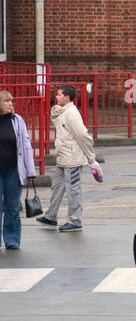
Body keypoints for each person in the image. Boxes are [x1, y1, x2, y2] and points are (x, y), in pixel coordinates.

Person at [37, 85, 99, 232]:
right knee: (57, 187)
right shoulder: (63, 111)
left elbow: (83, 136)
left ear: (67, 97)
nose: (56, 97)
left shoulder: (72, 114)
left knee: (73, 190)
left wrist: (91, 158)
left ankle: (75, 220)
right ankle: (51, 216)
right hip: (63, 157)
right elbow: (58, 123)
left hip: (72, 158)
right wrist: (54, 111)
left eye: (59, 95)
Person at [0, 89, 36, 250]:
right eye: (6, 101)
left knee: (12, 206)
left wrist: (31, 170)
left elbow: (26, 146)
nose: (10, 104)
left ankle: (12, 239)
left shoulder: (17, 120)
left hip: (13, 170)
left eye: (11, 101)